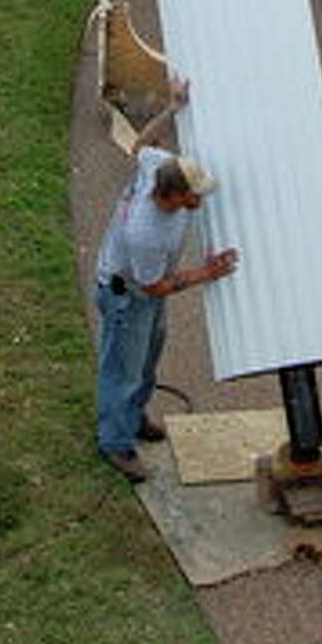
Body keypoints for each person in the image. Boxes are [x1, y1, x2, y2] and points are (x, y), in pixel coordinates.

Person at [95, 76, 239, 481]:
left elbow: (139, 144)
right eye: (195, 195)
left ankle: (134, 416)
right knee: (122, 370)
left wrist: (173, 108)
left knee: (146, 361)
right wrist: (207, 272)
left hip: (145, 293)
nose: (200, 199)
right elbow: (154, 286)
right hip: (128, 297)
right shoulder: (146, 234)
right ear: (173, 196)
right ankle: (115, 443)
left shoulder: (157, 165)